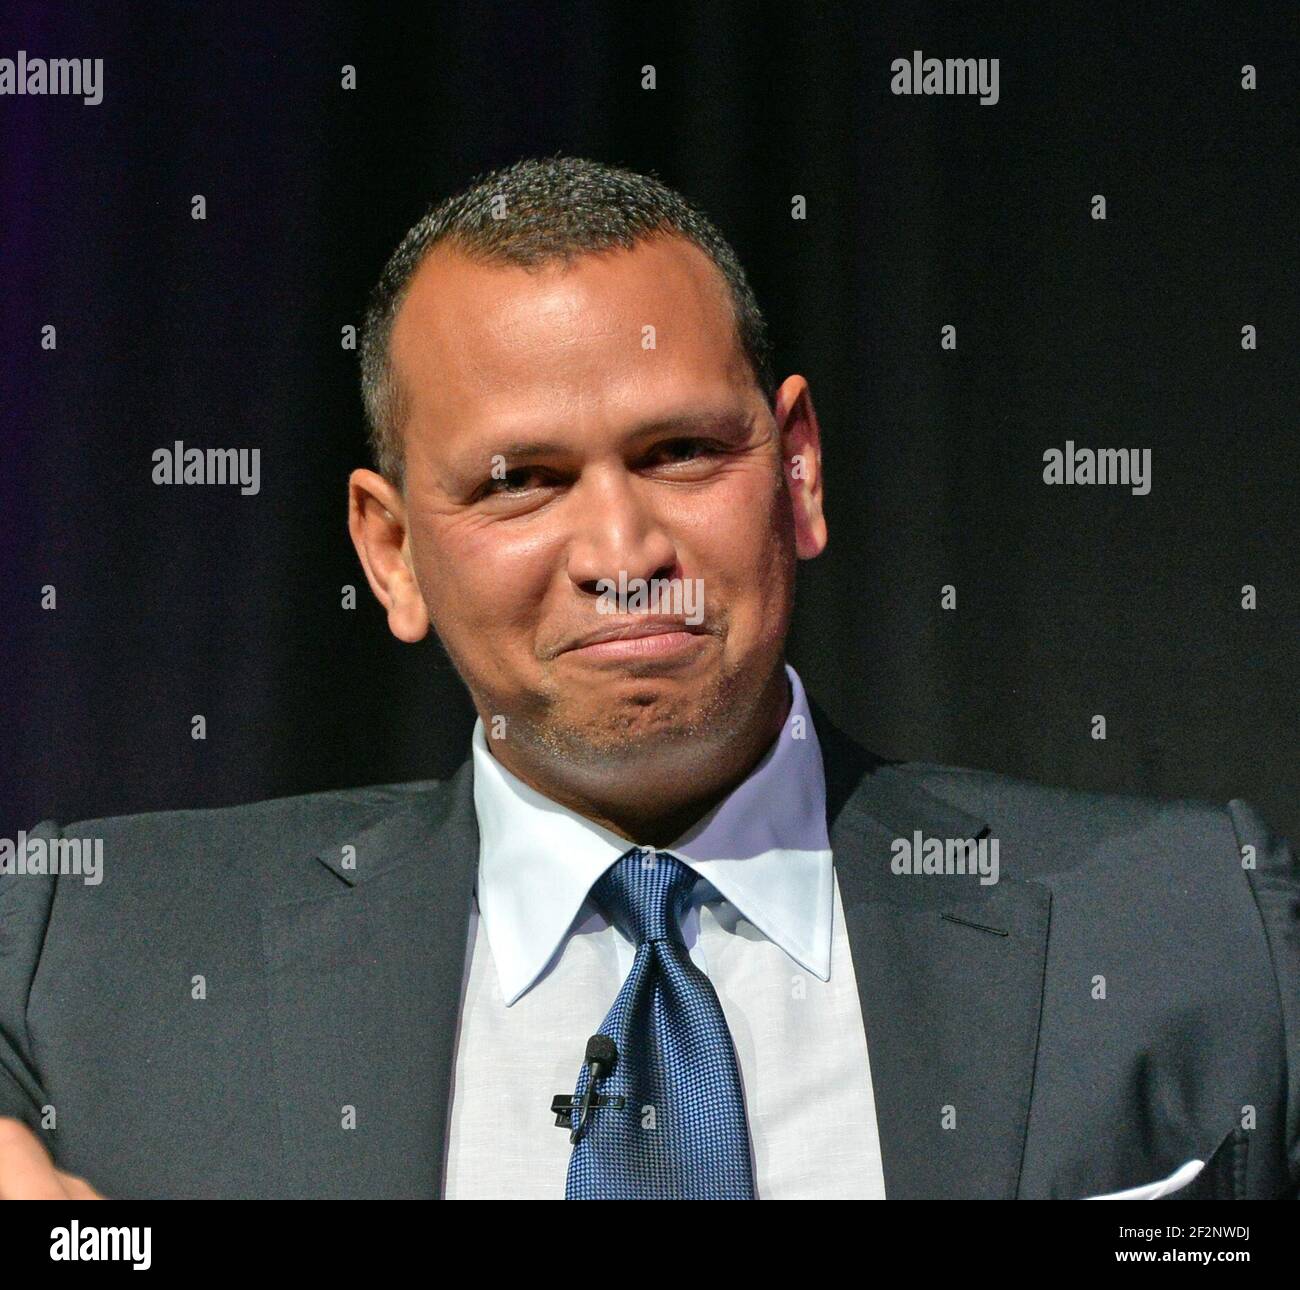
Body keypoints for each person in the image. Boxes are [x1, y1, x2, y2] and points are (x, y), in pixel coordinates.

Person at [1, 157, 1296, 1199]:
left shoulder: (1197, 931)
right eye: (523, 481)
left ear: (796, 470)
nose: (623, 554)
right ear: (390, 552)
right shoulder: (86, 952)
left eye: (680, 451)